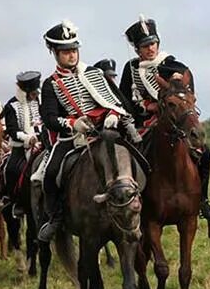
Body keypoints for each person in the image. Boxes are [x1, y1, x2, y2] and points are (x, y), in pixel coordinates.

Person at [37, 20, 138, 242]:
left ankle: (141, 206)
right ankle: (55, 218)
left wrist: (114, 114)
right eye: (65, 52)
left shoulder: (95, 74)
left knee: (142, 158)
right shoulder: (50, 84)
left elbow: (119, 102)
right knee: (50, 173)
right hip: (73, 138)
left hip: (107, 133)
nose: (71, 55)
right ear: (54, 53)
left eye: (73, 50)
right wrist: (73, 124)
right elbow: (50, 118)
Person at [118, 14, 210, 221]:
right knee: (130, 155)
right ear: (137, 49)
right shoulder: (131, 69)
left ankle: (203, 200)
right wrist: (145, 107)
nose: (150, 48)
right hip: (145, 124)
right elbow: (124, 100)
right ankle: (135, 199)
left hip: (173, 122)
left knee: (204, 152)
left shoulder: (174, 65)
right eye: (145, 46)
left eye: (153, 43)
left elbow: (187, 94)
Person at [1, 71, 43, 211]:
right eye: (31, 93)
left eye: (35, 92)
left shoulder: (40, 102)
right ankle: (14, 200)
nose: (34, 96)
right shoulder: (11, 105)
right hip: (20, 146)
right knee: (10, 169)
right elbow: (12, 130)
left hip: (43, 143)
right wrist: (28, 138)